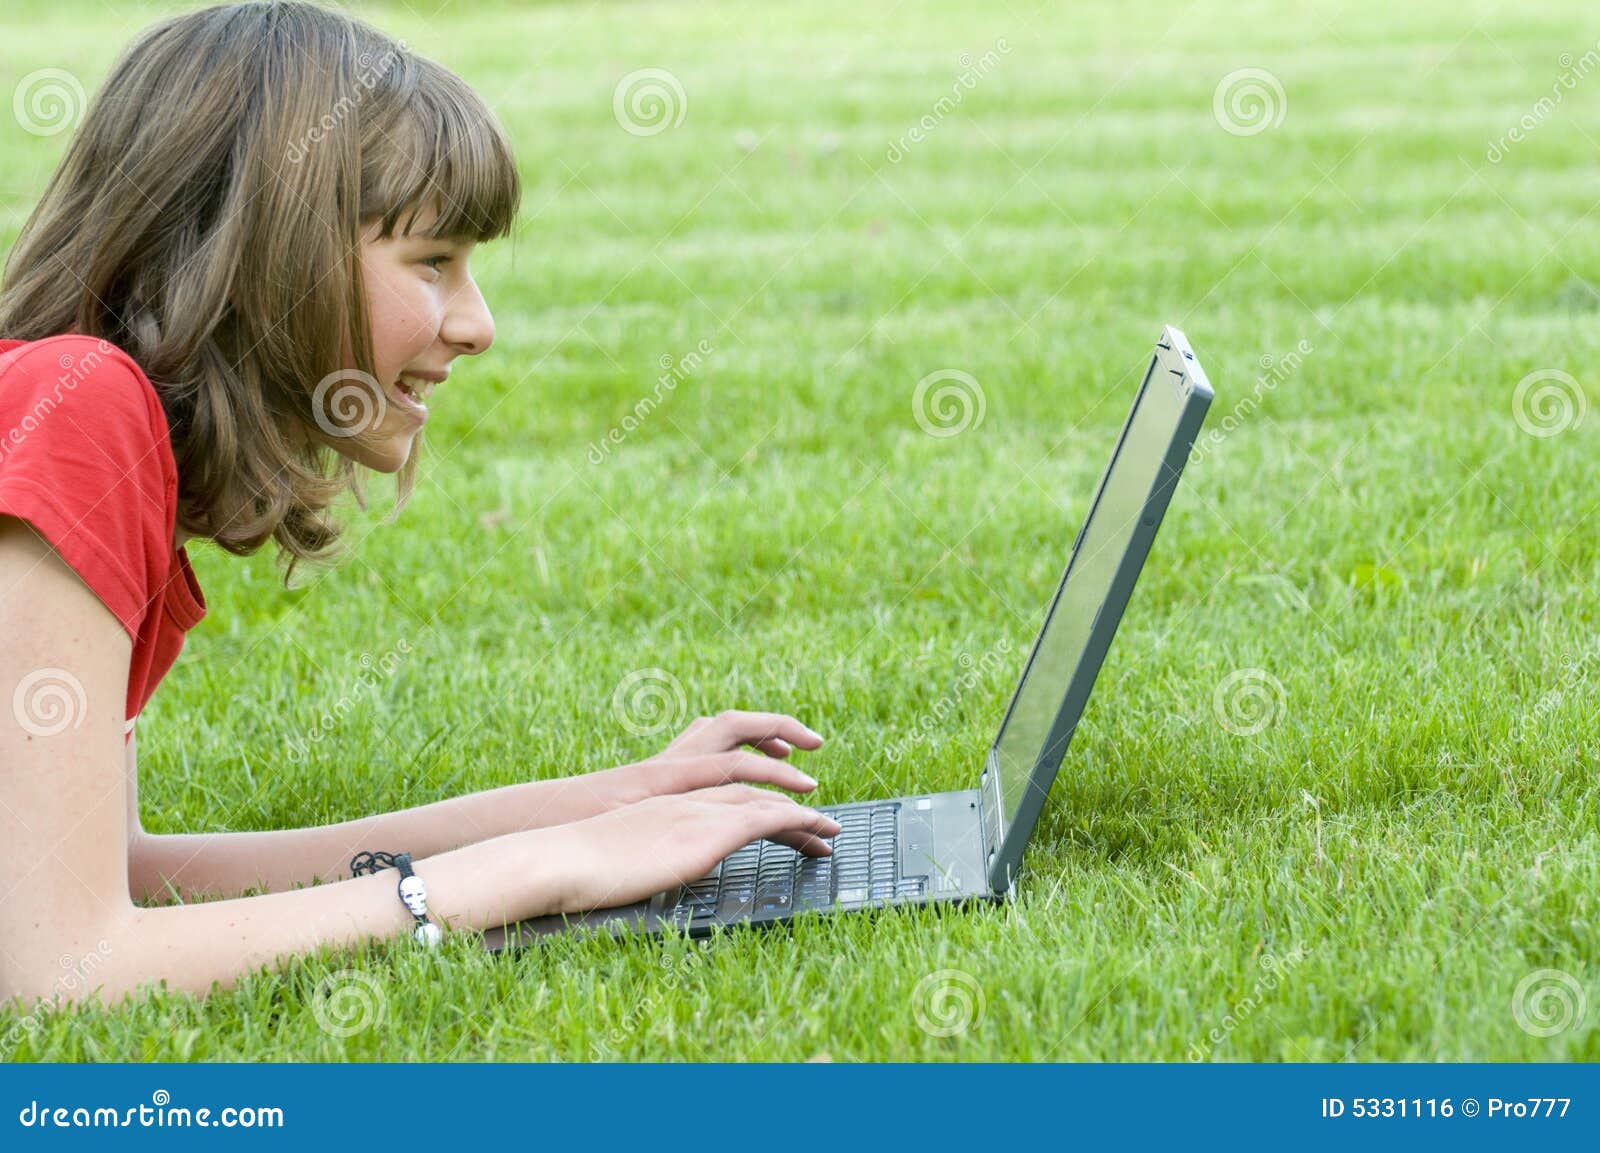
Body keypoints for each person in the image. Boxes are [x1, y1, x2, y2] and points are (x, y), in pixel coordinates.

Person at [0, 0, 838, 1005]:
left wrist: (588, 810)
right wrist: (526, 876)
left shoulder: (90, 420)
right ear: (275, 256)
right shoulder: (75, 411)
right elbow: (62, 966)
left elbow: (124, 874)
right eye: (433, 263)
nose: (479, 325)